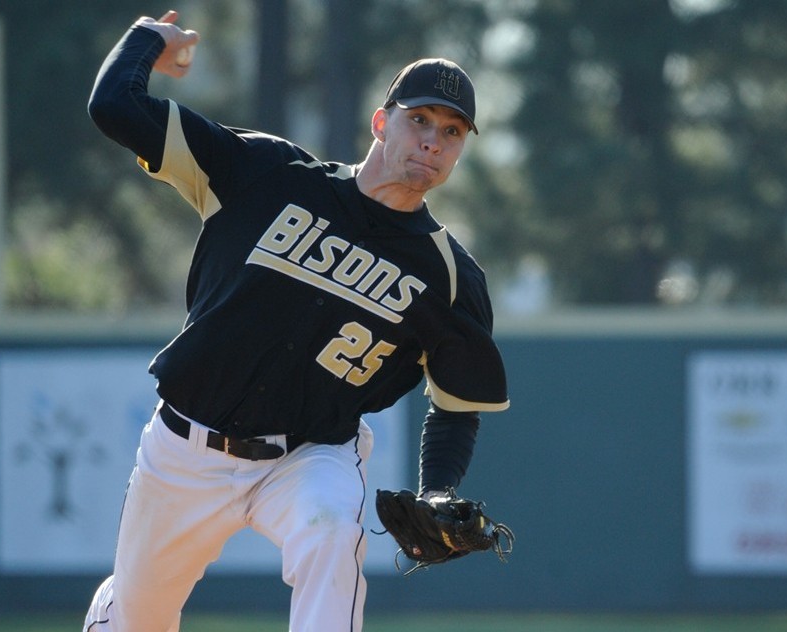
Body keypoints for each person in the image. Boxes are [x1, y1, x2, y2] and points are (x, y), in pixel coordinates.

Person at [83, 9, 509, 632]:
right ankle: (116, 609)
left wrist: (438, 487)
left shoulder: (449, 277)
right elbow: (115, 108)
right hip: (184, 450)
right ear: (381, 121)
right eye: (419, 120)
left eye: (451, 132)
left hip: (309, 457)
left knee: (331, 533)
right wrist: (151, 39)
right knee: (139, 620)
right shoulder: (264, 174)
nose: (432, 141)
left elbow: (456, 402)